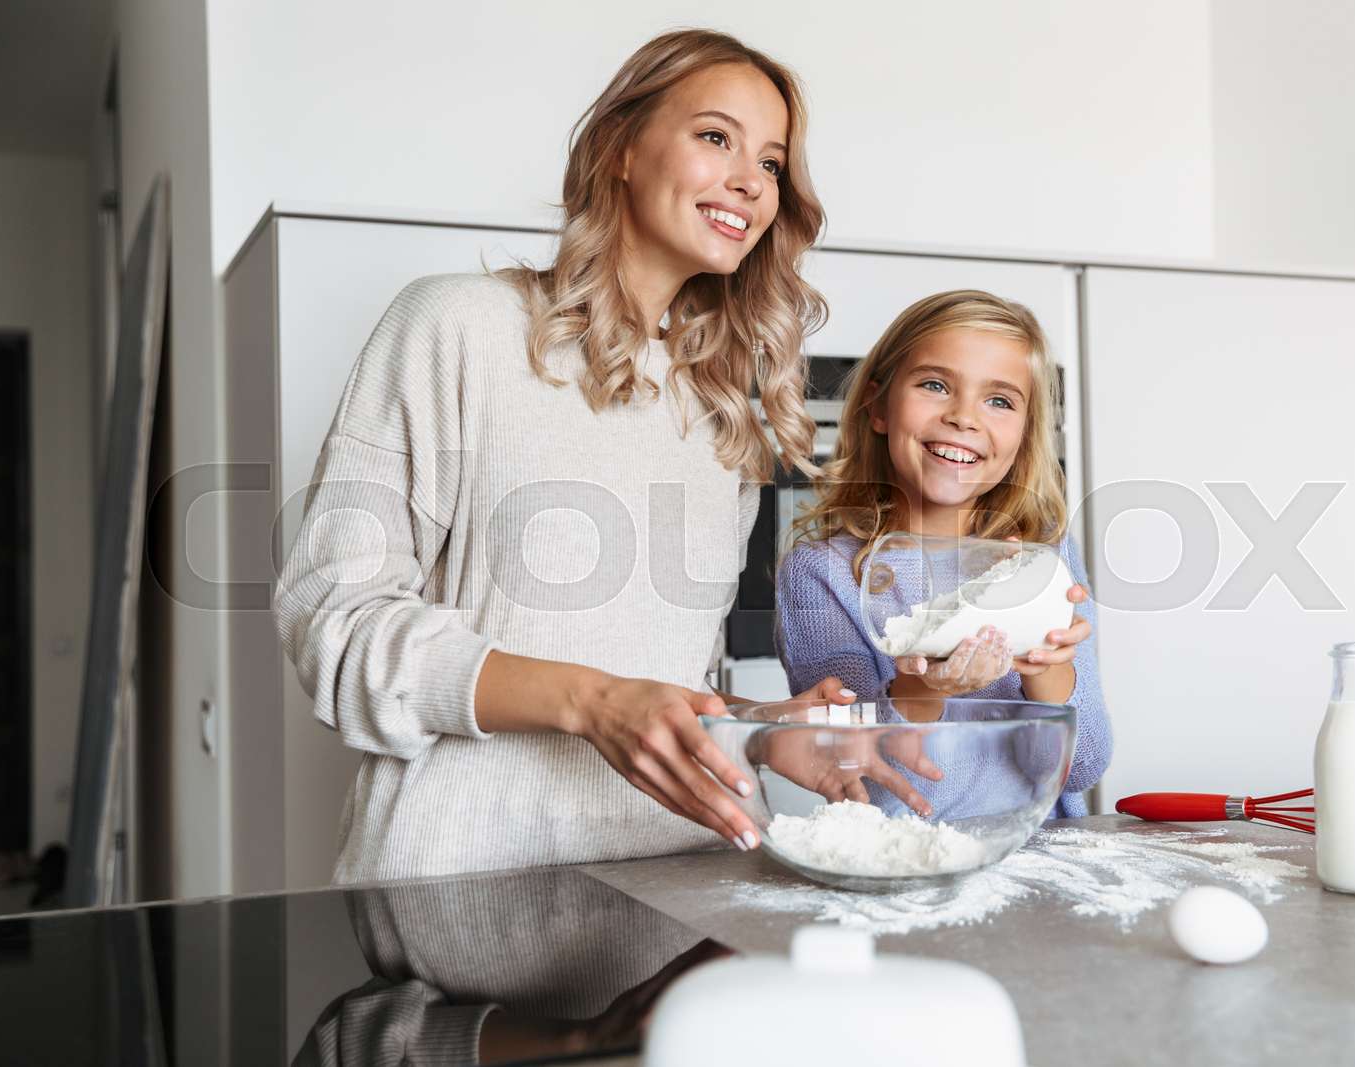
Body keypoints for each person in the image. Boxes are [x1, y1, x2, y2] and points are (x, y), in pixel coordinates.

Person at [276, 29, 851, 884]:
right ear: (620, 147)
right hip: (462, 895)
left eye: (770, 163)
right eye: (715, 137)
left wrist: (760, 725)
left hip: (687, 881)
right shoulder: (454, 328)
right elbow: (333, 623)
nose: (749, 182)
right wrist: (590, 703)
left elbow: (662, 685)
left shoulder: (722, 408)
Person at [774, 290, 1113, 817]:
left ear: (1023, 436)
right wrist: (919, 686)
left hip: (1037, 863)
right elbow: (853, 770)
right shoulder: (823, 573)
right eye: (935, 385)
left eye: (999, 401)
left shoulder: (1045, 559)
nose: (963, 417)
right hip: (899, 865)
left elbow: (1085, 766)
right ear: (878, 406)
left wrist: (1045, 669)